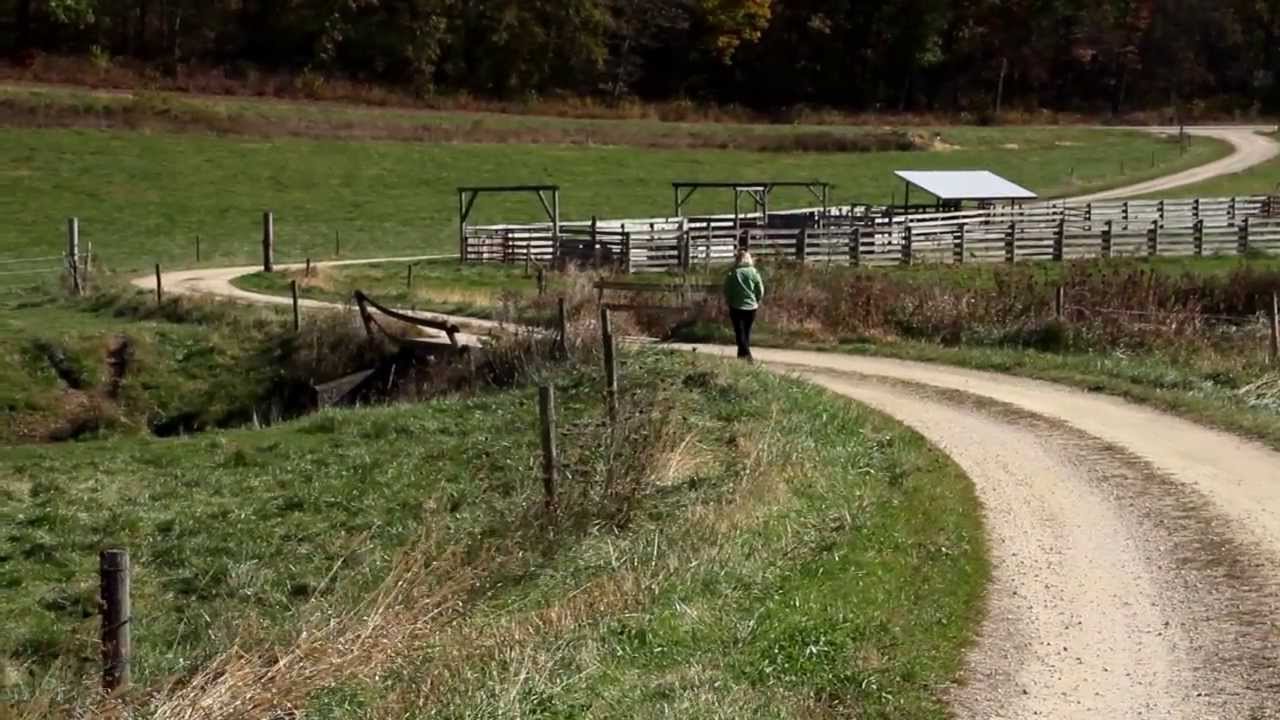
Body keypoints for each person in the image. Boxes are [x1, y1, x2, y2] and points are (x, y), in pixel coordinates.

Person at [723, 249, 764, 360]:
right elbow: (760, 289)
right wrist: (757, 299)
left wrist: (729, 300)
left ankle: (747, 356)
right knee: (746, 332)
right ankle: (741, 356)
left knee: (739, 332)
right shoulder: (754, 272)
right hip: (751, 306)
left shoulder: (733, 273)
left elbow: (727, 289)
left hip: (736, 306)